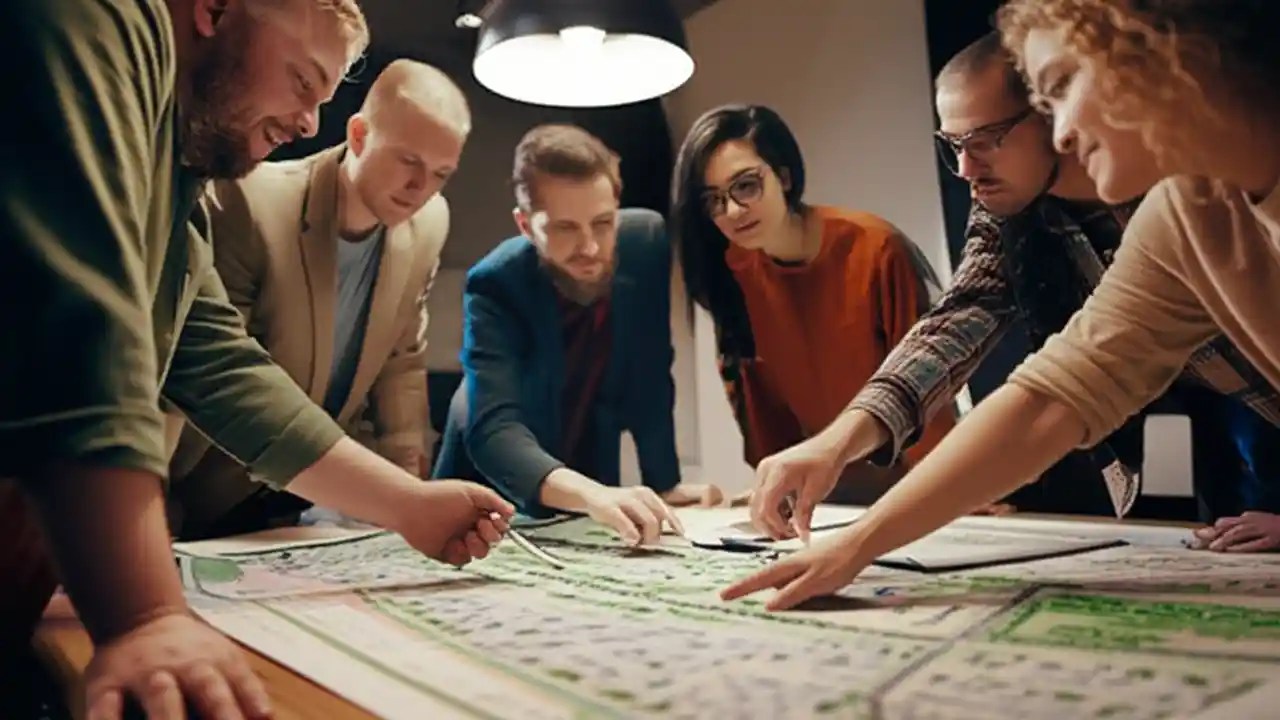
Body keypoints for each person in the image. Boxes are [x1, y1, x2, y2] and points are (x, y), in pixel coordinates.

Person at [0, 1, 512, 718]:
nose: (310, 124)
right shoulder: (97, 16)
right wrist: (145, 613)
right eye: (303, 82)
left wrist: (408, 505)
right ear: (212, 8)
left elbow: (221, 367)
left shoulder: (176, 174)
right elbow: (77, 319)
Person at [721, 0, 1280, 612]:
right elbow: (1052, 392)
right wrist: (854, 534)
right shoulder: (1183, 218)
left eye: (1062, 87)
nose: (1063, 131)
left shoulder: (1175, 198)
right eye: (953, 145)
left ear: (1161, 44)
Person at [168, 59, 470, 539]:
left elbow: (400, 356)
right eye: (408, 161)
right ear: (358, 134)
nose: (421, 189)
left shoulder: (431, 221)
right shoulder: (251, 201)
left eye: (441, 173)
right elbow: (207, 374)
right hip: (213, 489)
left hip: (321, 498)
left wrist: (408, 494)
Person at [434, 124, 723, 546]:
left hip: (588, 488)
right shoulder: (494, 283)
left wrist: (665, 483)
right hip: (490, 498)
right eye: (565, 228)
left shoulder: (645, 243)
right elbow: (495, 429)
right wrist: (591, 495)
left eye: (603, 223)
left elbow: (650, 373)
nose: (589, 246)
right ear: (526, 227)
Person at [671, 104, 953, 508]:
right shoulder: (735, 275)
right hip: (822, 502)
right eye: (713, 200)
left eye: (746, 186)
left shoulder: (875, 250)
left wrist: (948, 499)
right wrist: (777, 492)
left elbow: (931, 395)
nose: (732, 211)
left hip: (917, 491)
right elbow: (765, 421)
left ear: (784, 176)